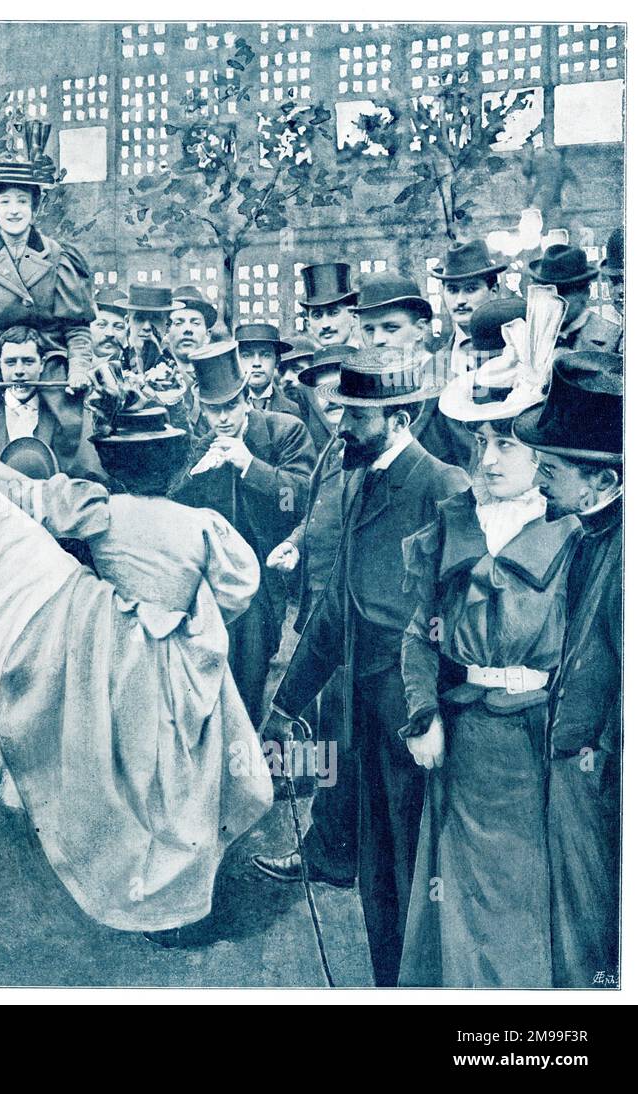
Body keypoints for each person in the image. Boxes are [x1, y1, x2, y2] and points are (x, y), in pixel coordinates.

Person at [0, 396, 273, 940]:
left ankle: (143, 887)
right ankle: (183, 900)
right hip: (186, 660)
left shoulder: (99, 510)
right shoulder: (202, 524)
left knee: (131, 770)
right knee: (185, 772)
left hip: (116, 656)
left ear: (114, 466)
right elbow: (241, 587)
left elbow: (27, 494)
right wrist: (197, 608)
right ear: (175, 466)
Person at [263, 349, 468, 987]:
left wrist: (428, 712)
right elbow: (333, 609)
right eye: (342, 409)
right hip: (360, 722)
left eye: (357, 413)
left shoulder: (443, 486)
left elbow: (455, 622)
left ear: (401, 417)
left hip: (415, 725)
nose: (342, 424)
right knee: (377, 879)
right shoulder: (355, 477)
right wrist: (285, 704)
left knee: (419, 878)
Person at [396, 343, 575, 988]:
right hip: (468, 741)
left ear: (542, 457)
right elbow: (418, 633)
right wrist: (422, 715)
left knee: (539, 899)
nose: (489, 459)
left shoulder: (577, 529)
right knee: (463, 900)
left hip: (547, 744)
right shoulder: (450, 523)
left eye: (507, 445)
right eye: (480, 444)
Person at [512, 353, 622, 988]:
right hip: (575, 765)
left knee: (591, 943)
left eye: (550, 470)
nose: (537, 482)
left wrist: (599, 755)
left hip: (596, 778)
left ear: (602, 481)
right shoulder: (588, 533)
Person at [253, 344, 357, 890]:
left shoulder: (364, 456)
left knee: (341, 734)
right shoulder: (332, 451)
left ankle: (331, 853)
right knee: (332, 731)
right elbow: (316, 513)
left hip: (346, 617)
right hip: (318, 606)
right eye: (324, 393)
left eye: (342, 389)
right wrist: (295, 542)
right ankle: (331, 843)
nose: (333, 400)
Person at [170, 341, 315, 724]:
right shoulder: (202, 447)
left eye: (231, 407)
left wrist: (251, 467)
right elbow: (174, 509)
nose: (223, 419)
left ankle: (252, 759)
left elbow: (302, 498)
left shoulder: (285, 431)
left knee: (254, 680)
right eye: (213, 409)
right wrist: (192, 477)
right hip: (216, 584)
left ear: (245, 399)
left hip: (269, 581)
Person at [0, 121, 95, 468]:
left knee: (71, 422)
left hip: (48, 356)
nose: (13, 210)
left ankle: (69, 484)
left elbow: (77, 329)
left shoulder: (58, 257)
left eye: (22, 201)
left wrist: (80, 367)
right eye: (4, 200)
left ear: (35, 208)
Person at [353, 271, 475, 472]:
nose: (377, 340)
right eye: (369, 329)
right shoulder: (370, 390)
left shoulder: (447, 381)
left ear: (420, 329)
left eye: (390, 328)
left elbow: (469, 468)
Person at [0, 324, 60, 457]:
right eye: (10, 362)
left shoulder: (58, 415)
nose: (19, 371)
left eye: (28, 362)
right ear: (0, 364)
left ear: (42, 364)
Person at [432, 240, 505, 378]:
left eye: (471, 289)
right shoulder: (434, 365)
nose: (460, 300)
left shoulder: (514, 350)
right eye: (452, 290)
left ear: (493, 291)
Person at [234, 322, 302, 418]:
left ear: (277, 360)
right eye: (246, 355)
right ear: (236, 361)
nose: (256, 363)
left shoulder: (294, 410)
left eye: (266, 355)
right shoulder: (223, 409)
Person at [298, 261, 359, 348]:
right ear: (308, 325)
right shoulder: (309, 361)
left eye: (333, 313)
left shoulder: (369, 360)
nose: (325, 325)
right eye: (317, 316)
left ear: (353, 317)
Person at [89, 287, 132, 372]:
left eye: (119, 327)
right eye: (101, 325)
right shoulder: (68, 368)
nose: (110, 333)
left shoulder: (135, 369)